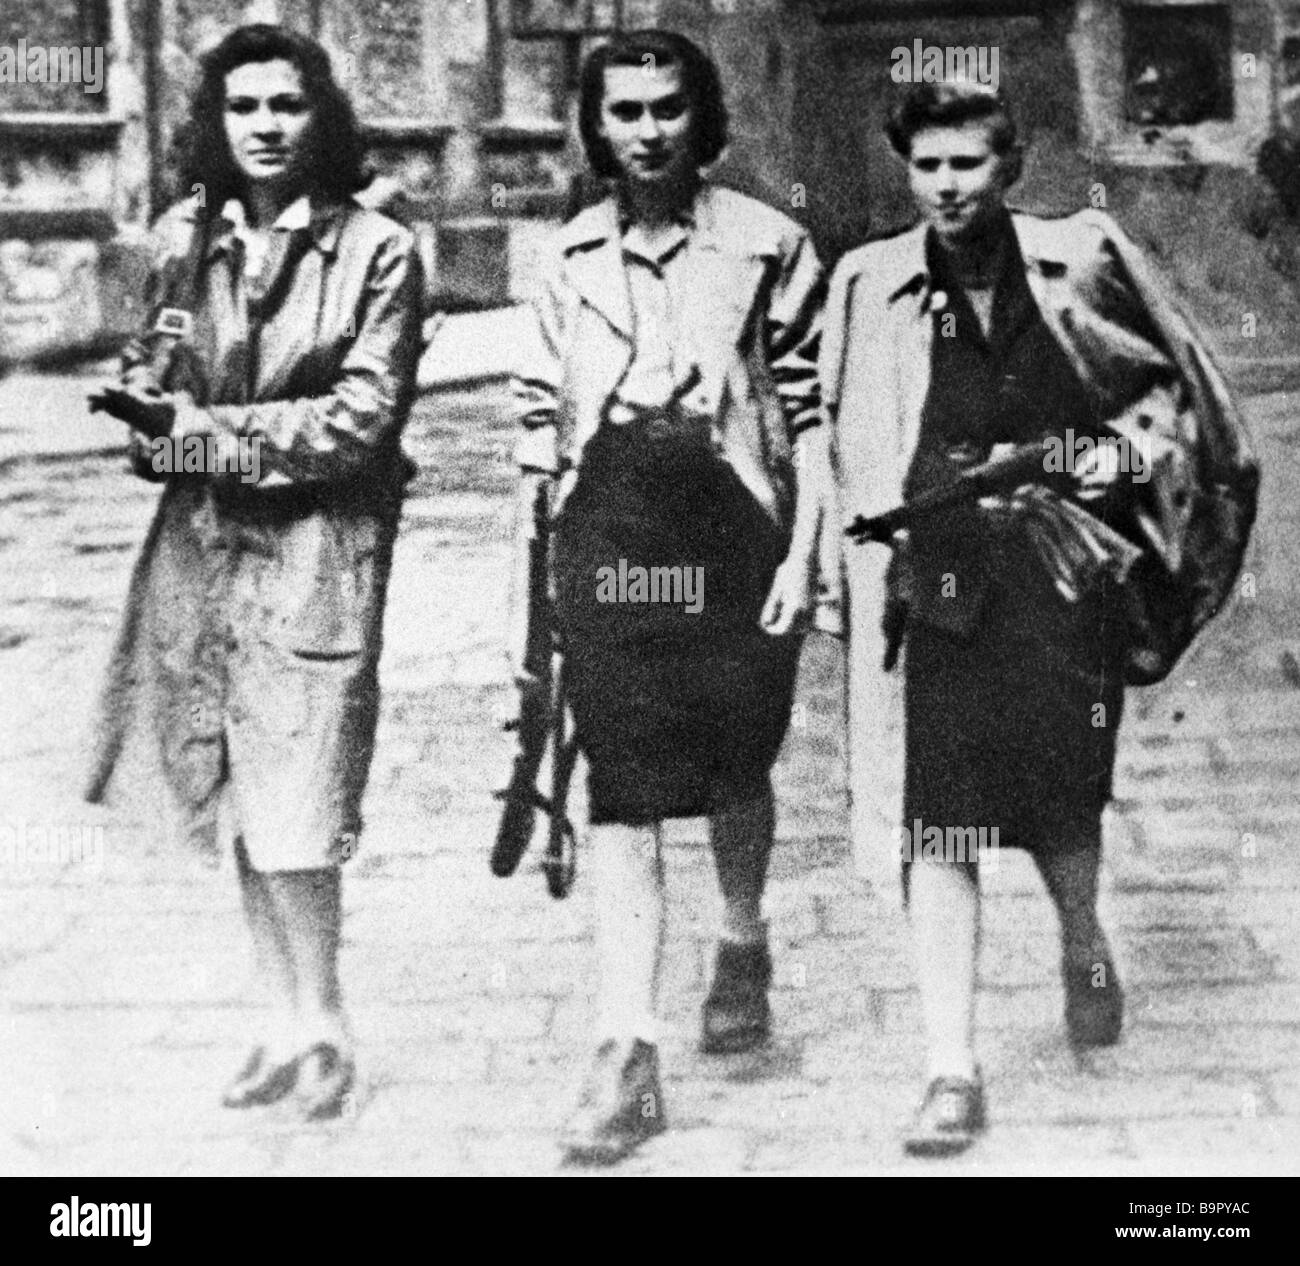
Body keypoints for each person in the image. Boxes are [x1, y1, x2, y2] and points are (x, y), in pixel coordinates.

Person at [820, 80, 1253, 1156]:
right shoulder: (869, 282)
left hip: (1060, 578)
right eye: (927, 166)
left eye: (968, 164)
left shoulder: (1081, 255)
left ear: (1008, 169)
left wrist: (1104, 461)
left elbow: (1171, 403)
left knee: (1061, 805)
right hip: (940, 582)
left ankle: (1079, 939)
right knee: (941, 820)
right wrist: (842, 565)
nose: (947, 186)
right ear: (904, 172)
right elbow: (840, 435)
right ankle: (949, 1065)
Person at [85, 24, 424, 1120]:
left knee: (302, 791)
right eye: (245, 108)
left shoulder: (378, 252)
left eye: (288, 105)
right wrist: (149, 422)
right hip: (198, 554)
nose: (267, 127)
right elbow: (158, 396)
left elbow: (357, 424)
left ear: (321, 118)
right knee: (236, 782)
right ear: (216, 123)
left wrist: (200, 431)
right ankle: (276, 1021)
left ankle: (326, 1025)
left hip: (318, 551)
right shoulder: (183, 244)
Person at [511, 29, 828, 1164]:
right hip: (611, 525)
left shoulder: (767, 243)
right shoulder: (562, 258)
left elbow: (811, 411)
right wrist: (532, 586)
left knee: (738, 758)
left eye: (666, 108)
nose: (645, 131)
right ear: (593, 126)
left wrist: (806, 557)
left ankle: (741, 938)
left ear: (702, 117)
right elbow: (536, 428)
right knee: (623, 782)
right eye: (623, 111)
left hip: (733, 526)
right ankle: (626, 1047)